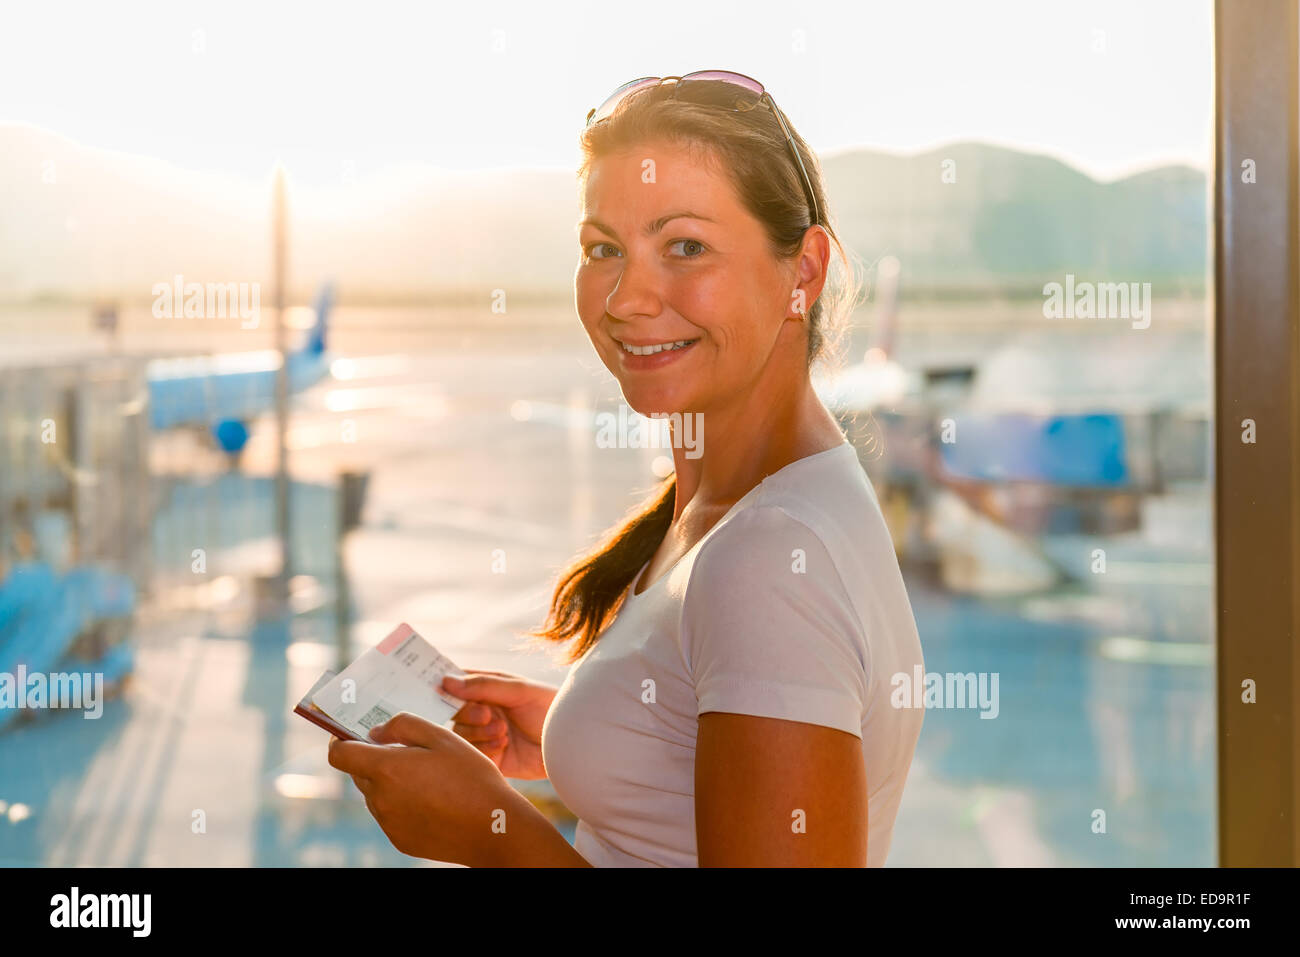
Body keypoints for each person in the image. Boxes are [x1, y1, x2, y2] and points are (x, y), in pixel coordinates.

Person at [328, 71, 925, 867]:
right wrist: (591, 731)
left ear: (804, 272)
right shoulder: (740, 501)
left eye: (685, 246)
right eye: (603, 249)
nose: (626, 297)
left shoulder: (772, 561)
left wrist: (496, 838)